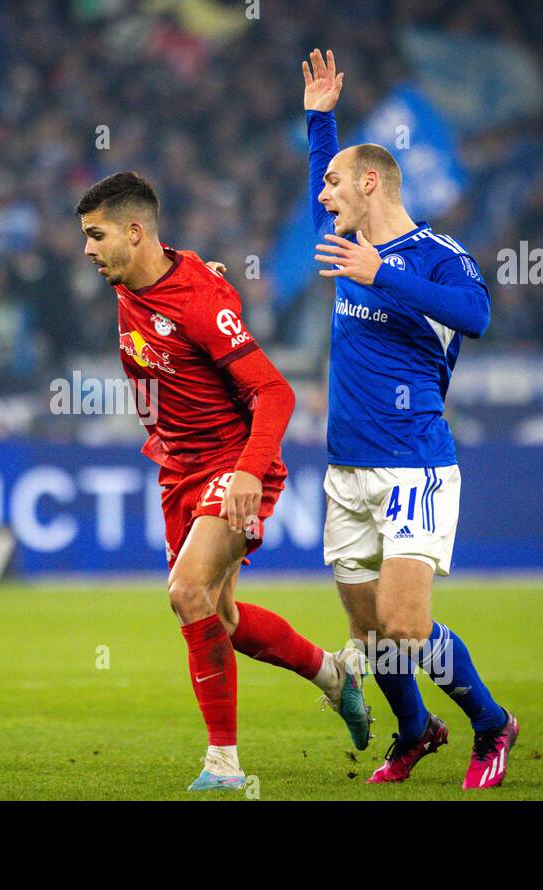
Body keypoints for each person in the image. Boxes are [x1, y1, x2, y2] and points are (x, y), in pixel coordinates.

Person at [77, 171, 370, 793]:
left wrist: (246, 471)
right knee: (223, 617)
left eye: (96, 235)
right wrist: (211, 282)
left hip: (234, 466)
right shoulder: (134, 278)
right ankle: (335, 677)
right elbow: (178, 279)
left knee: (186, 594)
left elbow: (276, 391)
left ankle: (224, 765)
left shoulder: (198, 301)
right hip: (177, 470)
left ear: (134, 232)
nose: (87, 250)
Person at [303, 48, 517, 788]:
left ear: (371, 184)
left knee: (403, 623)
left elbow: (478, 315)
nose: (323, 198)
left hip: (413, 463)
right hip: (344, 468)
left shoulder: (435, 255)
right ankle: (415, 729)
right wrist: (320, 120)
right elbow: (321, 184)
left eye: (334, 184)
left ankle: (492, 726)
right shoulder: (344, 242)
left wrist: (383, 273)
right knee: (370, 633)